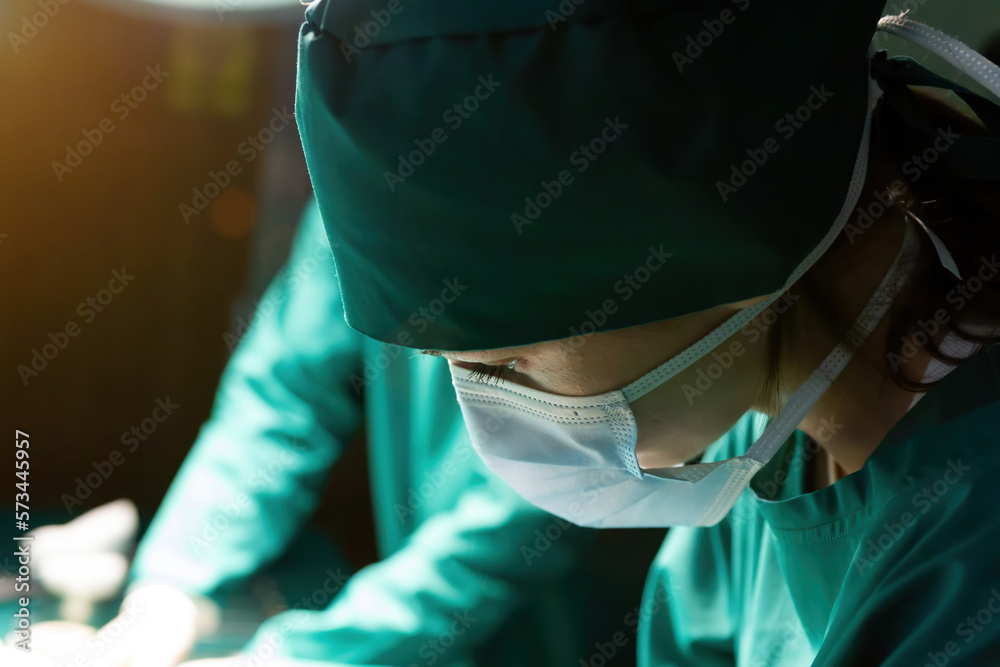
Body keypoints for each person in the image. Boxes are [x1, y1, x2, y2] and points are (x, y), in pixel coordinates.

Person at [294, 2, 1000, 665]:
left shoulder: (974, 542)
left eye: (510, 362)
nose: (492, 423)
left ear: (724, 244)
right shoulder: (760, 472)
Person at [89, 199, 659, 667]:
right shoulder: (366, 174)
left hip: (585, 624)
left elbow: (550, 491)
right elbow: (287, 394)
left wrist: (300, 656)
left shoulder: (573, 188)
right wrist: (172, 586)